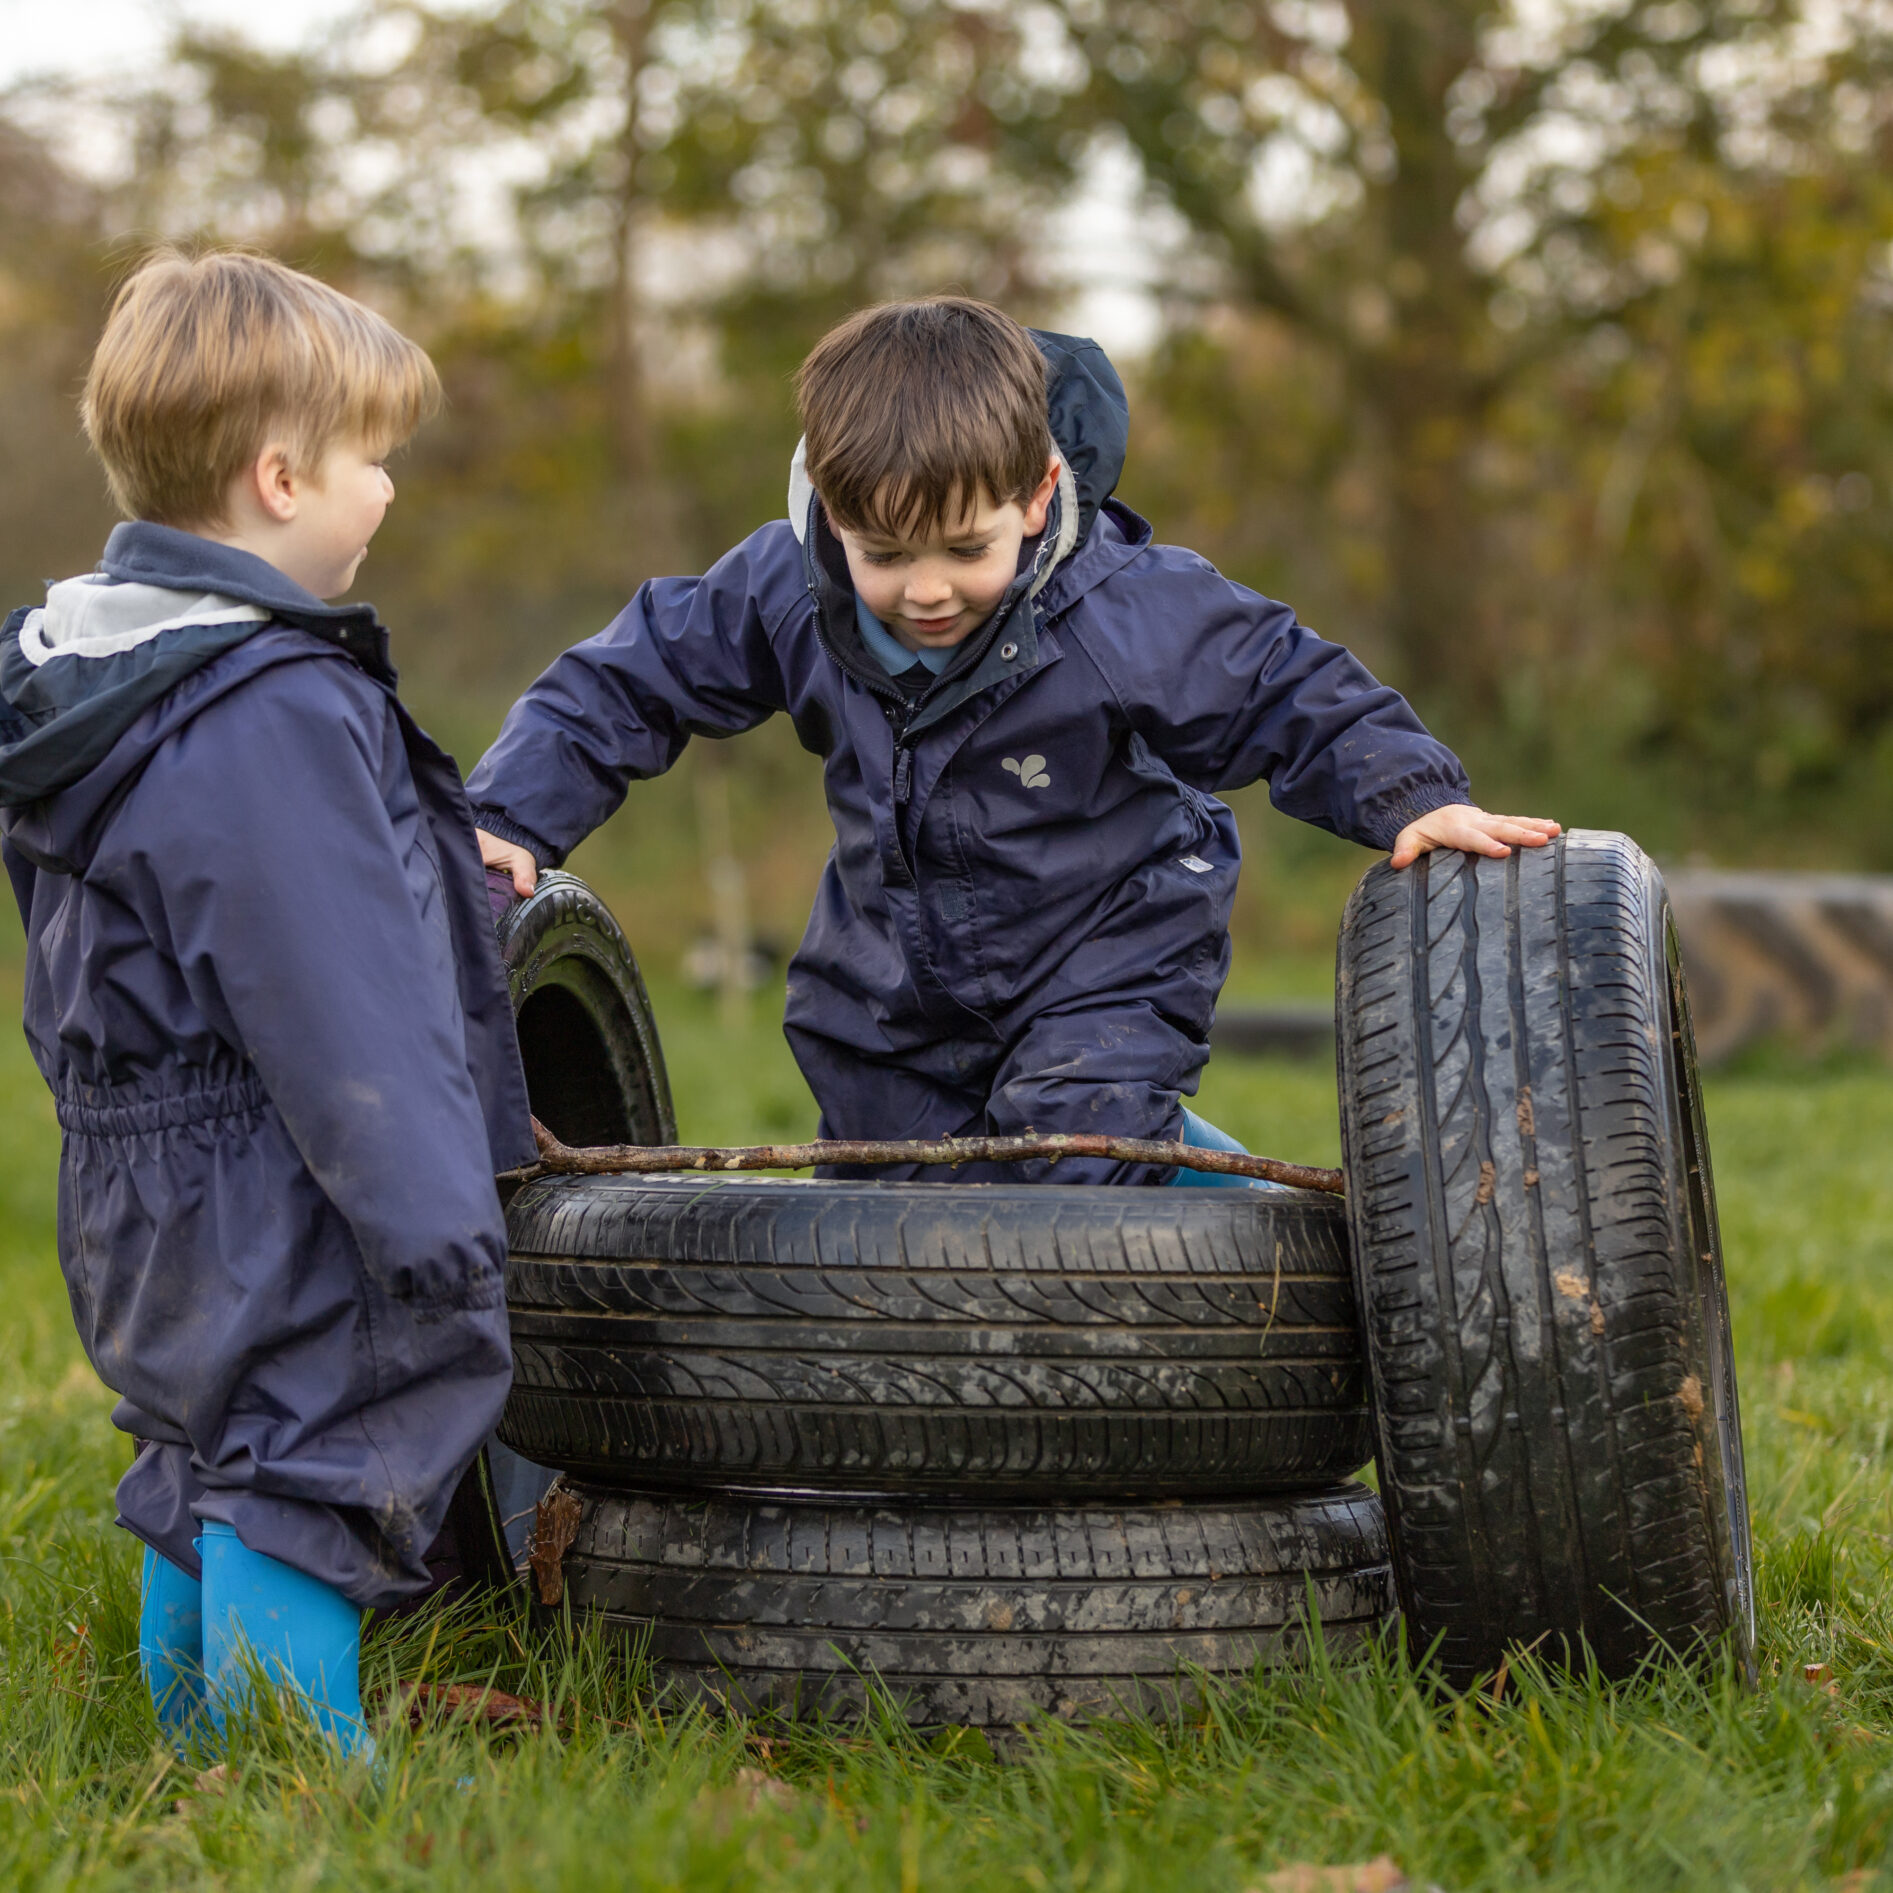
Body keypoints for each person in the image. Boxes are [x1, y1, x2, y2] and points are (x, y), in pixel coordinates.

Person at [471, 297, 1557, 1185]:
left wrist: (1407, 793)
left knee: (1066, 1171)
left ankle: (1257, 1235)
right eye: (884, 553)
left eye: (964, 547)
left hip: (1103, 959)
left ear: (1037, 497)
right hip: (889, 983)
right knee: (892, 1214)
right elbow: (627, 679)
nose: (927, 588)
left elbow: (1283, 683)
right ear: (829, 514)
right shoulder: (785, 593)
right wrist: (512, 815)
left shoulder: (1126, 612)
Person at [0, 251, 534, 1756]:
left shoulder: (93, 680)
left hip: (138, 1167)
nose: (386, 492)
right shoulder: (272, 704)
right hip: (286, 1158)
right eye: (373, 460)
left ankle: (196, 1750)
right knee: (319, 1441)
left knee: (206, 1432)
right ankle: (305, 1782)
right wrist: (434, 1217)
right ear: (281, 475)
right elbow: (333, 993)